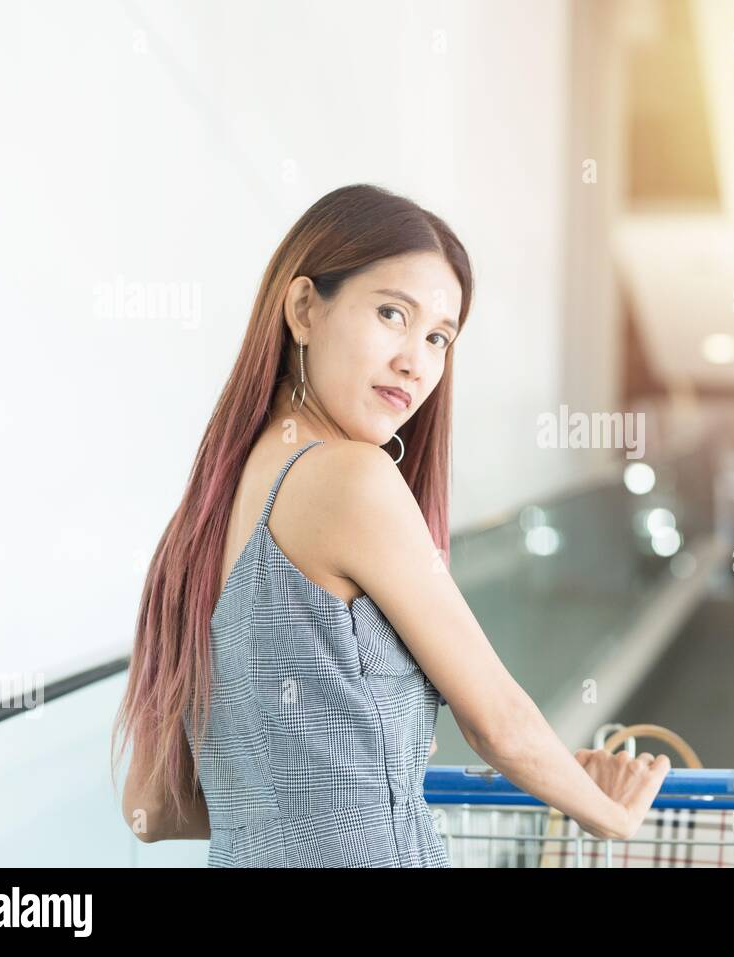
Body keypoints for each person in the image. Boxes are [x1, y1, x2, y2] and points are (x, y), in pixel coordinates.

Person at [111, 183, 668, 866]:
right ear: (304, 308)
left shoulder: (197, 522)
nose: (416, 359)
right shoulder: (348, 477)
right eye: (390, 314)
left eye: (439, 336)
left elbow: (153, 805)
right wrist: (614, 814)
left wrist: (333, 786)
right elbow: (500, 724)